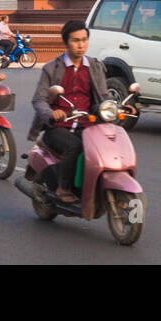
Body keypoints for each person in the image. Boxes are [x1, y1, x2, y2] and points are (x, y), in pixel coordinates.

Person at [29, 20, 111, 204]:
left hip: (87, 124)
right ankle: (63, 188)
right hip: (58, 127)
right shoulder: (52, 68)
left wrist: (113, 107)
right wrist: (51, 113)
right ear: (66, 42)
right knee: (74, 146)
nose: (81, 45)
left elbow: (103, 95)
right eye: (75, 40)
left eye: (84, 40)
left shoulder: (95, 67)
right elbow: (38, 99)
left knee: (105, 146)